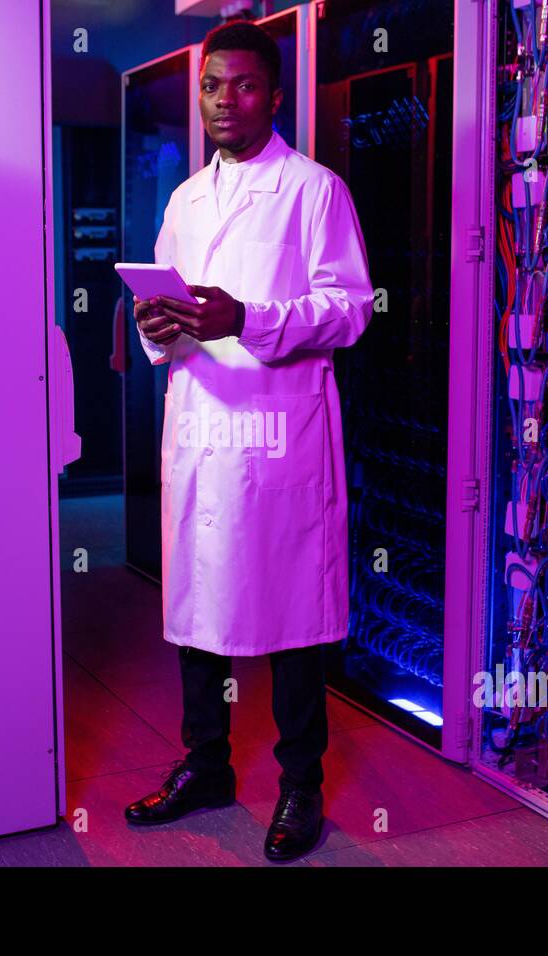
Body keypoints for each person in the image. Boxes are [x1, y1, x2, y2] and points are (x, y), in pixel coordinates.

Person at [122, 20, 374, 862]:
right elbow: (162, 313)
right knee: (200, 605)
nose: (225, 101)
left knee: (294, 613)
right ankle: (206, 767)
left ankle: (301, 784)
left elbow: (350, 309)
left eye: (243, 86)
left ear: (272, 93)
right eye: (212, 86)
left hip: (281, 442)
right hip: (200, 427)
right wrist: (158, 324)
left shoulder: (313, 190)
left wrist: (251, 317)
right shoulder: (185, 199)